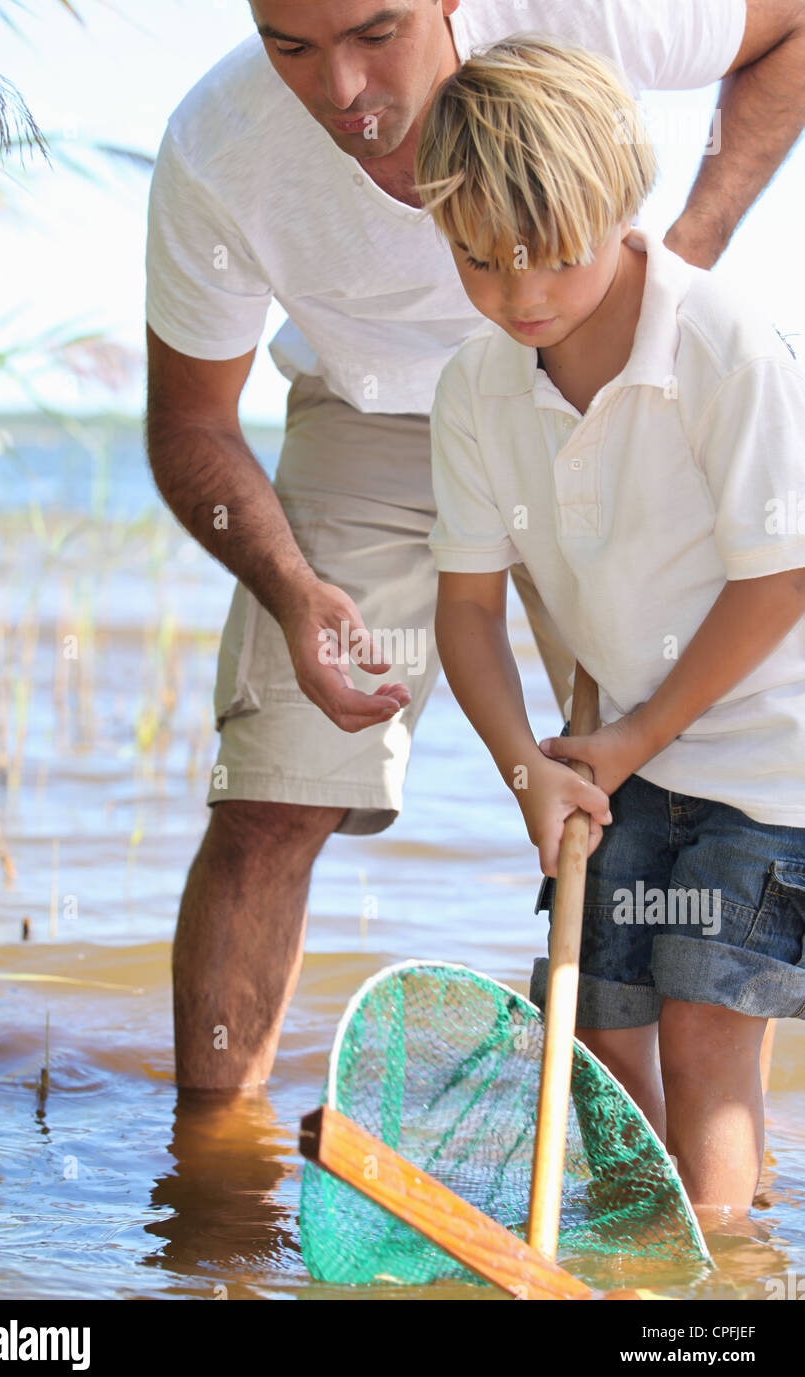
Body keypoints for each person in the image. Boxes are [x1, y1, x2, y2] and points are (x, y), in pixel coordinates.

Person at [144, 0, 805, 1091]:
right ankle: (210, 1182)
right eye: (292, 47)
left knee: (684, 802)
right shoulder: (217, 145)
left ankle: (694, 1185)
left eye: (374, 31)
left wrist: (676, 261)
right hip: (383, 413)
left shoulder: (592, 15)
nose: (342, 90)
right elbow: (190, 423)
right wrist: (294, 589)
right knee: (270, 795)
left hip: (618, 397)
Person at [415, 34, 805, 1213]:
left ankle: (714, 1302)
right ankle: (645, 1260)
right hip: (614, 755)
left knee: (702, 1043)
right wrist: (523, 763)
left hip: (767, 762)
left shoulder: (720, 346)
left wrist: (633, 742)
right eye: (480, 263)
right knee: (594, 1037)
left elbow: (777, 582)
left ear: (620, 204)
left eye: (552, 258)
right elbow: (468, 605)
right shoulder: (476, 388)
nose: (520, 294)